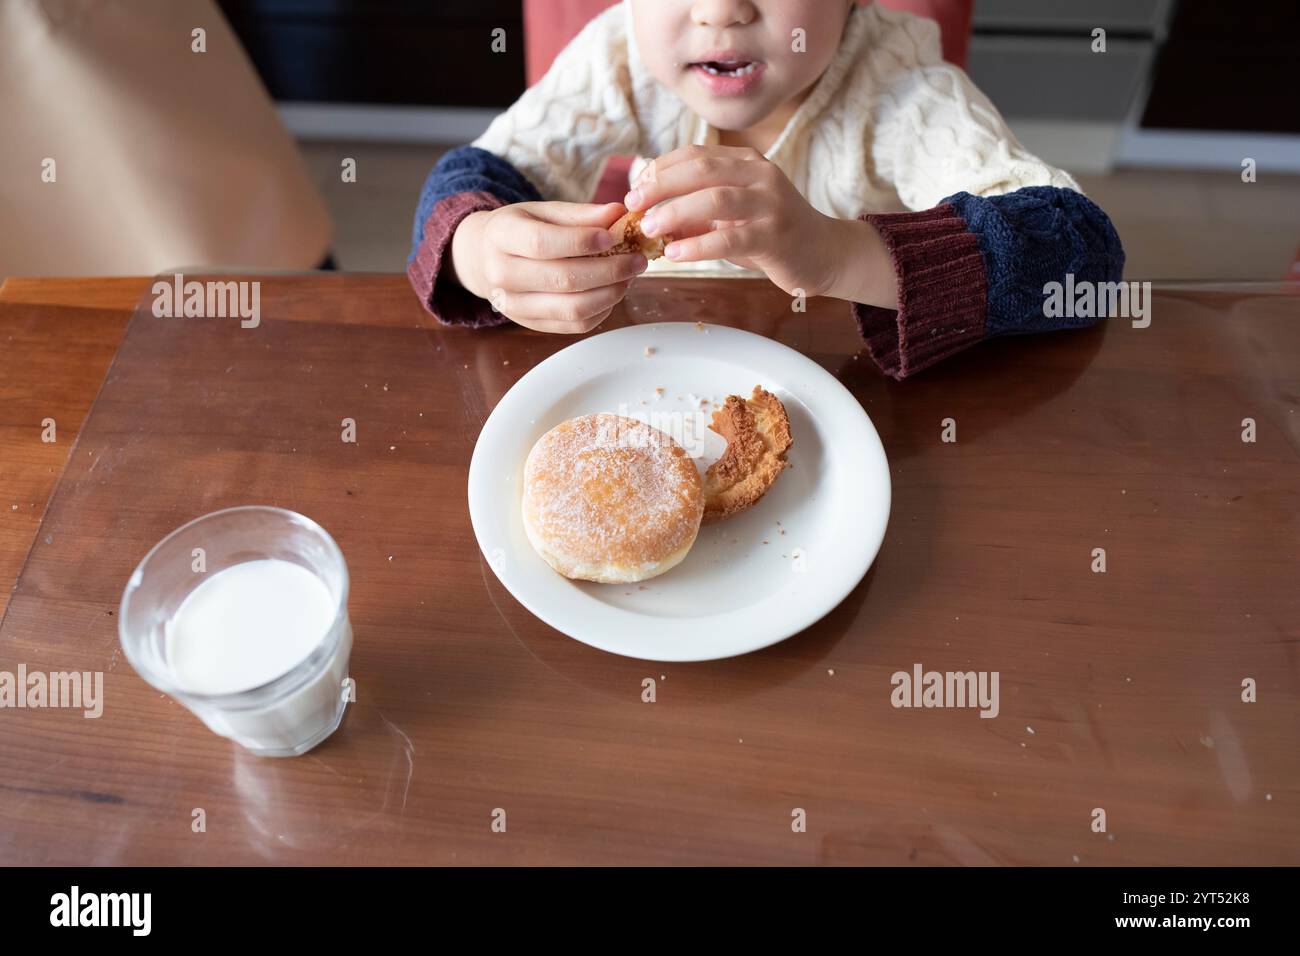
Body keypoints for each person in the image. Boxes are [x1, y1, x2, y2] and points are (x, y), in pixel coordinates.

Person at [408, 0, 1124, 380]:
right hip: (659, 375)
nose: (720, 10)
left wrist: (837, 252)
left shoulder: (901, 89)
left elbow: (1082, 253)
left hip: (862, 399)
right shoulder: (619, 55)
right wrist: (479, 249)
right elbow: (478, 178)